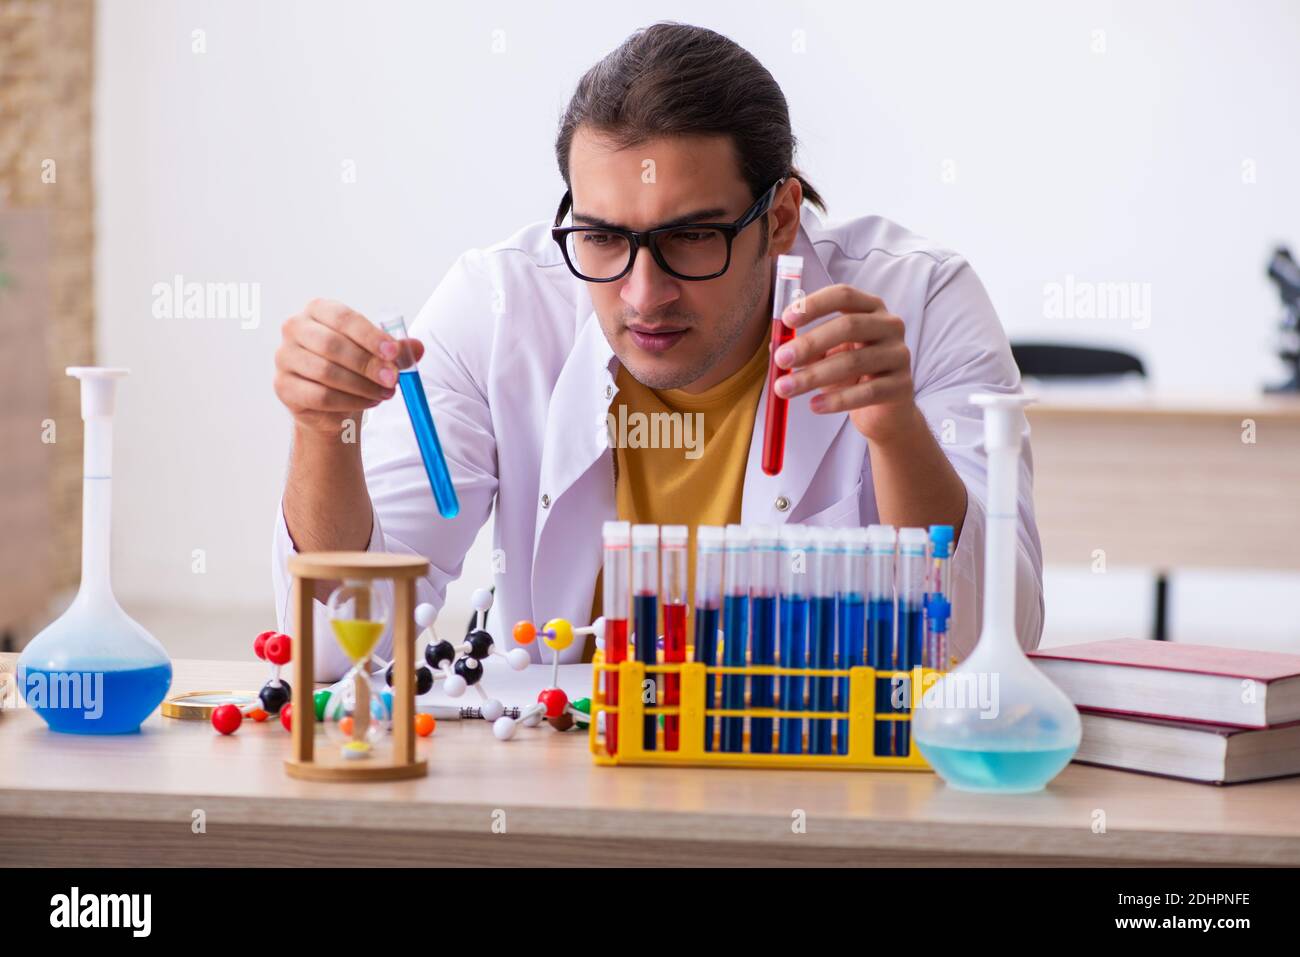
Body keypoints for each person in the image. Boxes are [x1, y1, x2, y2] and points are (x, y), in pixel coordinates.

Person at [272, 22, 1043, 680]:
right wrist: (322, 431)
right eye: (604, 237)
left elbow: (988, 649)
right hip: (573, 783)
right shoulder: (499, 309)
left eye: (690, 236)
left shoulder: (919, 305)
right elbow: (337, 649)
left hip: (820, 790)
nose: (644, 294)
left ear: (779, 218)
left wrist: (896, 433)